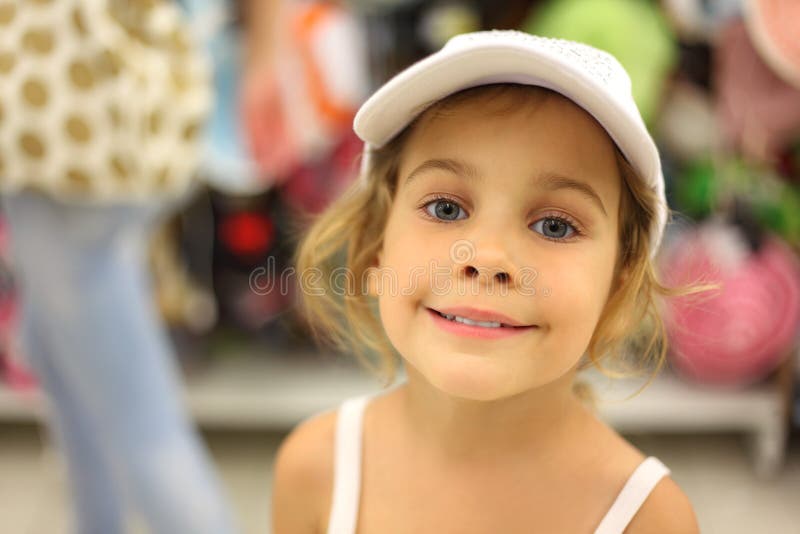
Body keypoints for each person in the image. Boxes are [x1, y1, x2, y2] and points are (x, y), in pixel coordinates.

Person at [275, 31, 706, 533]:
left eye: (555, 225)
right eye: (446, 208)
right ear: (376, 250)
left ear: (618, 288)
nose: (487, 258)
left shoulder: (650, 520)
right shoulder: (315, 471)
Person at [0, 0, 281, 531]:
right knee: (63, 353)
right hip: (102, 106)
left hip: (66, 123)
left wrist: (268, 50)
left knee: (141, 427)